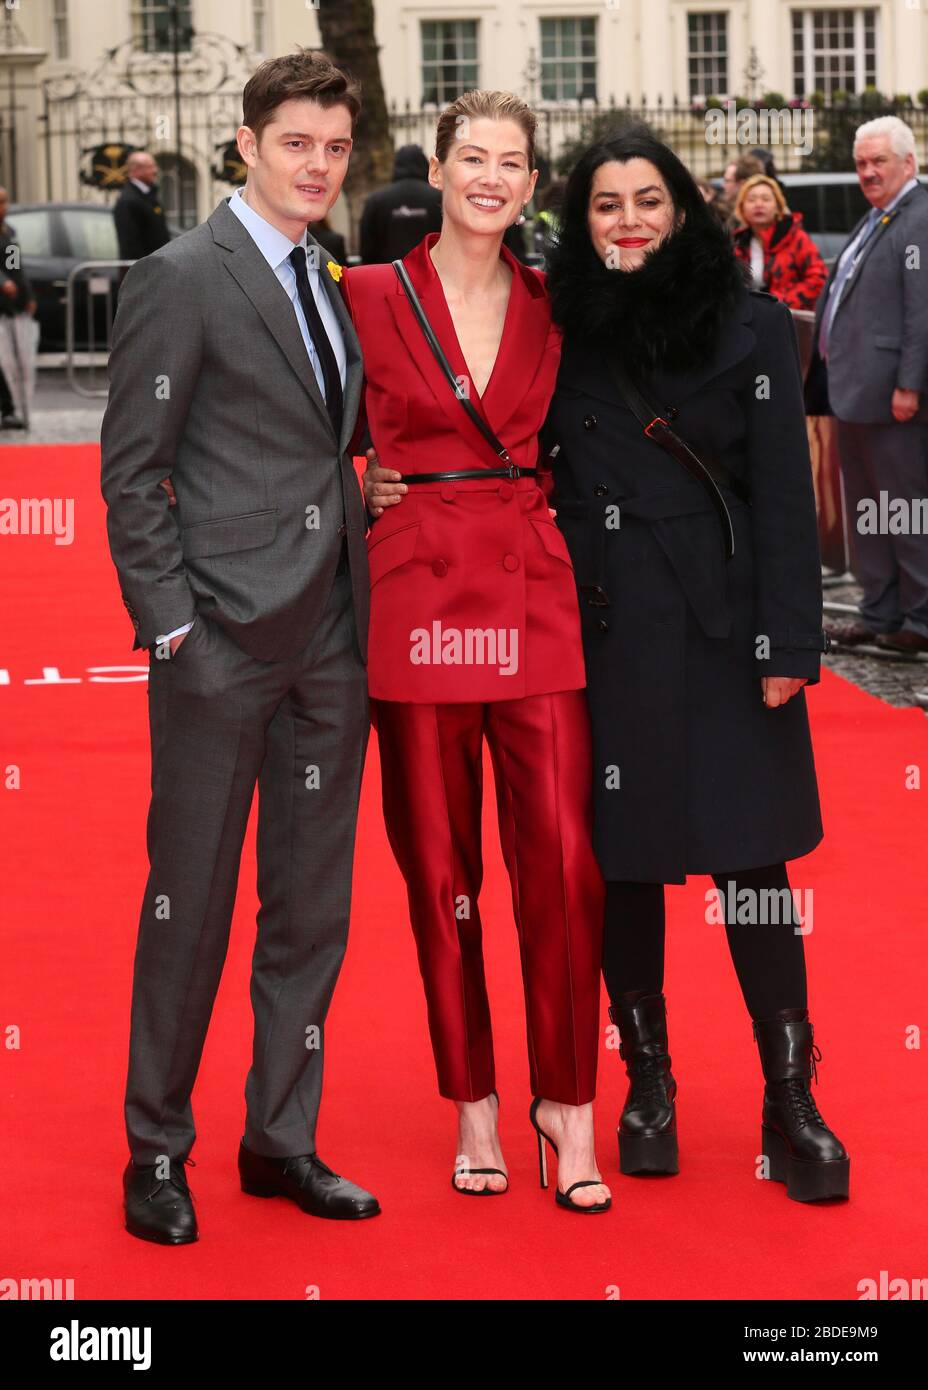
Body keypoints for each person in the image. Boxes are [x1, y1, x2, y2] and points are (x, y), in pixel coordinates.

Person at [537, 129, 847, 1204]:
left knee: (752, 867)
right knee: (623, 866)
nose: (627, 220)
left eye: (647, 201)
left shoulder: (752, 322)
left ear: (681, 211)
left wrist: (787, 643)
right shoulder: (557, 327)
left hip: (724, 632)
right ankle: (648, 1084)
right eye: (606, 204)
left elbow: (781, 499)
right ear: (581, 221)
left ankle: (790, 1094)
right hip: (605, 633)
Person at [101, 49, 378, 1246]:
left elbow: (327, 448)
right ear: (248, 143)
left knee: (310, 912)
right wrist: (175, 632)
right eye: (296, 144)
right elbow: (132, 474)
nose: (317, 165)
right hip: (219, 643)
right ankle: (156, 1146)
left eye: (334, 147)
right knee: (191, 905)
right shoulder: (183, 275)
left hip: (333, 640)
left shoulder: (329, 274)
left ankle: (281, 1137)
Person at [349, 90, 610, 1212]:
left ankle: (570, 1102)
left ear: (531, 182)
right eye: (473, 157)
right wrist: (349, 479)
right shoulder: (363, 294)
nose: (491, 177)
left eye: (512, 162)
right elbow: (292, 422)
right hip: (413, 597)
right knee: (443, 875)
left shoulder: (563, 305)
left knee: (562, 861)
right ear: (438, 169)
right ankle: (474, 1103)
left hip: (530, 588)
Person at [805, 116, 928, 654]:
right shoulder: (878, 217)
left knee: (904, 508)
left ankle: (920, 622)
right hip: (854, 391)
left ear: (909, 162)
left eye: (879, 161)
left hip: (893, 398)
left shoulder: (919, 219)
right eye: (861, 163)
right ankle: (880, 612)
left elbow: (921, 312)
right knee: (868, 512)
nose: (868, 172)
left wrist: (910, 384)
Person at [733, 174, 827, 311]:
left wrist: (778, 305)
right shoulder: (738, 243)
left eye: (766, 199)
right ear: (741, 208)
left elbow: (818, 278)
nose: (759, 204)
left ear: (778, 206)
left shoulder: (796, 237)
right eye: (751, 200)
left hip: (791, 319)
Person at [359, 143, 442, 263]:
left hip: (388, 275)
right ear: (424, 164)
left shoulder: (377, 200)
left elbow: (367, 248)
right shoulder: (438, 197)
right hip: (430, 273)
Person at [0, 184, 37, 429]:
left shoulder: (8, 232)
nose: (4, 207)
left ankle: (10, 408)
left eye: (5, 201)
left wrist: (26, 294)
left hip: (9, 304)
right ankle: (9, 408)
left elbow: (15, 265)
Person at [113, 152, 171, 260]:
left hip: (157, 264)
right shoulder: (128, 201)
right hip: (144, 269)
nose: (155, 171)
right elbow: (130, 245)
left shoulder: (147, 194)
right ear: (136, 170)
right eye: (150, 167)